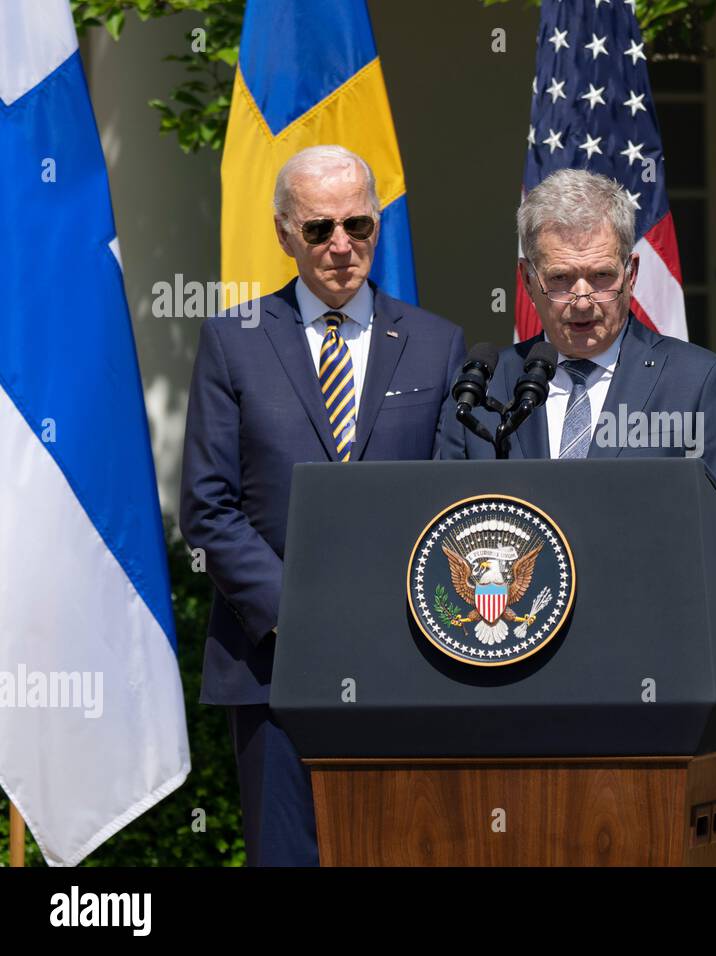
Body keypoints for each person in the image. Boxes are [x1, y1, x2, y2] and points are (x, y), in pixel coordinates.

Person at [180, 145, 465, 865]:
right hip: (275, 664)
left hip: (410, 658)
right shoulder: (231, 342)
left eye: (358, 224)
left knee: (407, 852)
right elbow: (208, 509)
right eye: (318, 229)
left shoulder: (438, 345)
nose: (342, 245)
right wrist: (299, 615)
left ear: (378, 224)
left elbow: (454, 496)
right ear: (284, 234)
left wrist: (400, 610)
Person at [439, 168, 716, 557]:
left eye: (601, 277)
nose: (582, 300)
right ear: (527, 280)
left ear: (631, 274)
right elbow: (446, 532)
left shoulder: (694, 384)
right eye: (560, 278)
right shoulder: (483, 387)